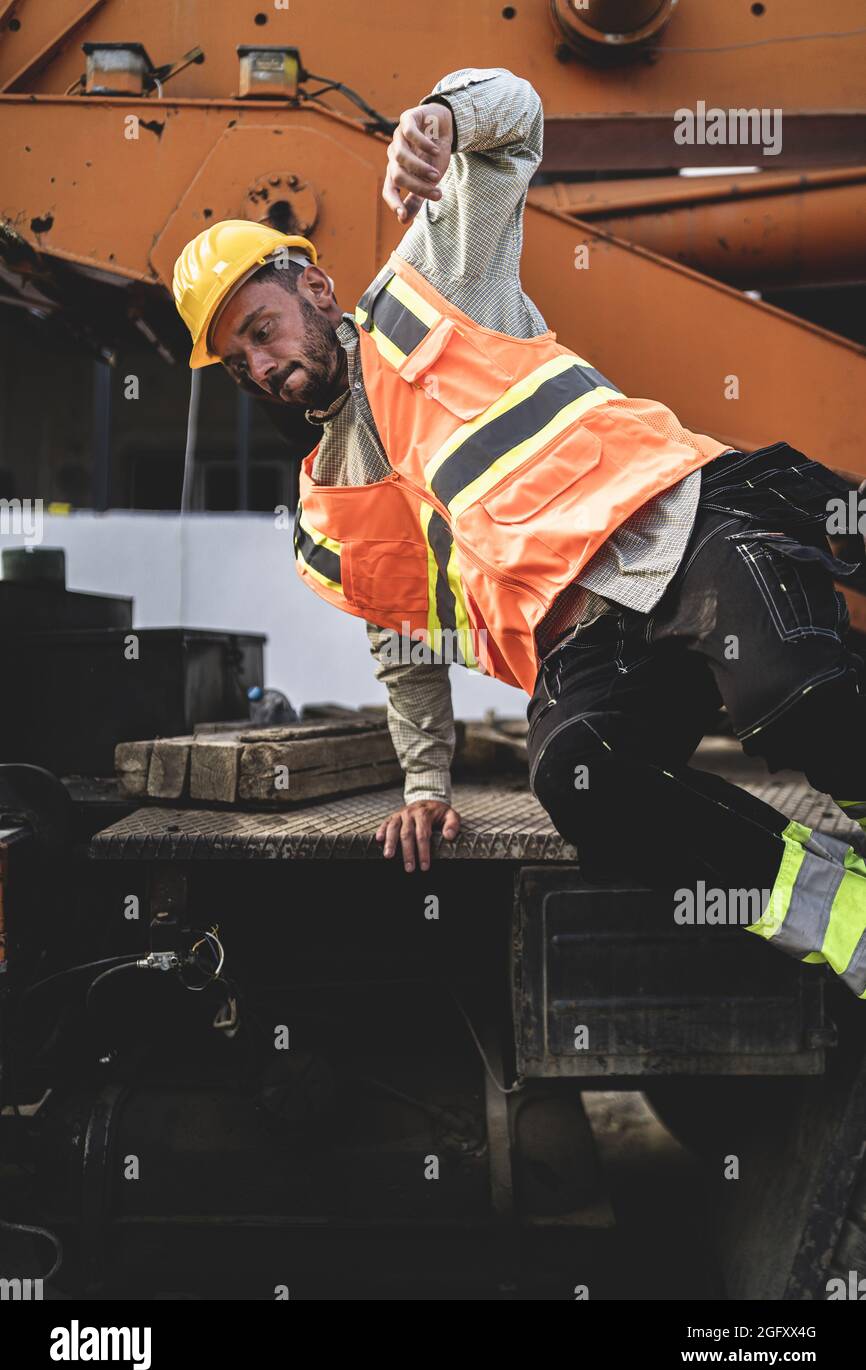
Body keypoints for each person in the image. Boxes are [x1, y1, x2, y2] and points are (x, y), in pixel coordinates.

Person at [173, 68, 866, 999]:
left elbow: (517, 123)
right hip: (590, 644)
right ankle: (850, 919)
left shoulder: (431, 282)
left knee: (790, 687)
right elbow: (404, 642)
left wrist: (440, 119)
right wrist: (426, 787)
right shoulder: (325, 508)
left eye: (263, 329)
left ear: (318, 289)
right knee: (579, 776)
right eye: (239, 359)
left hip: (677, 525)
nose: (262, 365)